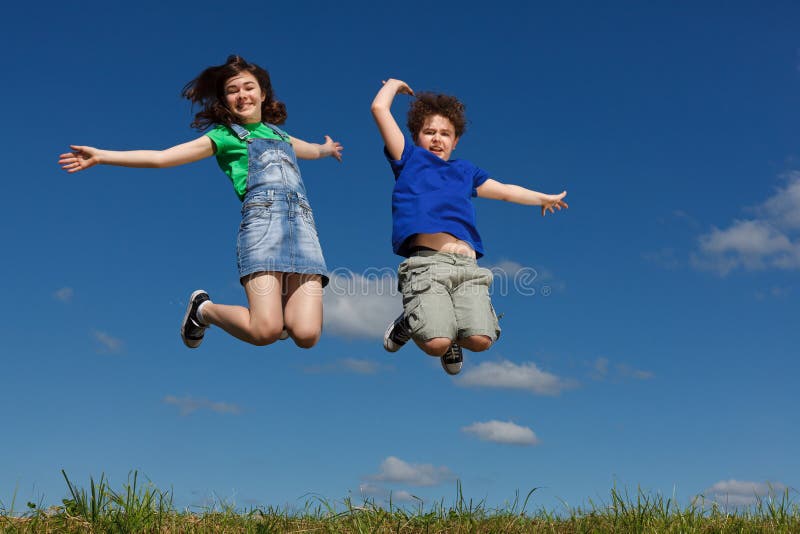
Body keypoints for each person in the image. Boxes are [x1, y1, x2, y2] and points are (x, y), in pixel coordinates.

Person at [59, 55, 343, 350]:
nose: (242, 95)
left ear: (263, 93)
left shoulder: (281, 135)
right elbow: (162, 158)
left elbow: (309, 150)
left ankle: (278, 313)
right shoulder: (224, 136)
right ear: (224, 99)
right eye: (233, 90)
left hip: (305, 231)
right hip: (264, 228)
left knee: (307, 335)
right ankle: (202, 310)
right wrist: (103, 156)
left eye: (249, 87)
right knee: (265, 331)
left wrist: (326, 148)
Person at [371, 79, 568, 375]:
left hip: (468, 267)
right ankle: (410, 323)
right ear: (416, 136)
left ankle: (454, 335)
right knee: (436, 342)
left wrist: (541, 198)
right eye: (429, 132)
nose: (437, 139)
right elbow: (379, 109)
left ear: (455, 140)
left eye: (445, 134)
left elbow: (503, 190)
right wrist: (394, 86)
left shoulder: (465, 171)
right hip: (428, 265)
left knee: (480, 339)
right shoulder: (408, 159)